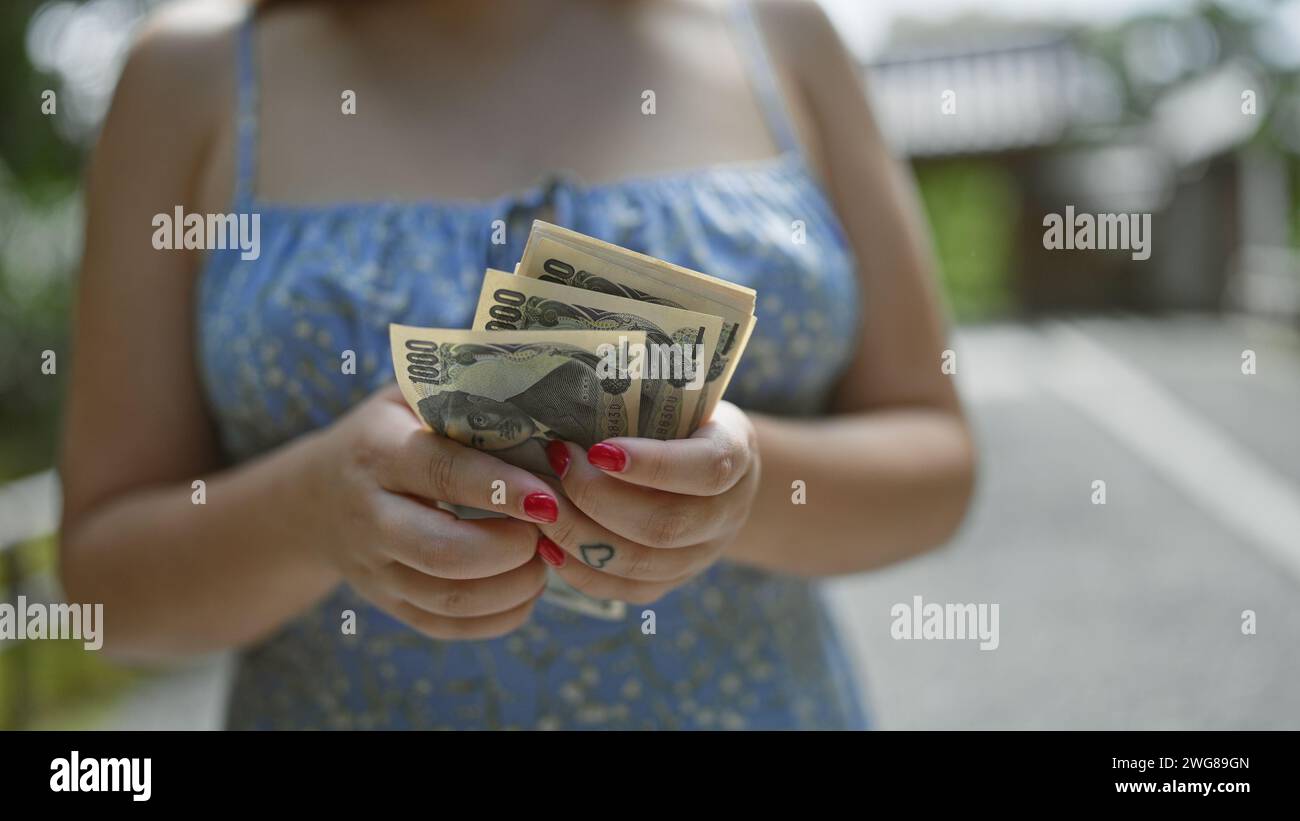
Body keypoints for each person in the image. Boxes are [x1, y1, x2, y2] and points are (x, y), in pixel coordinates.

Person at [58, 0, 976, 729]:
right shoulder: (192, 75)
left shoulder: (782, 33)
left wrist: (741, 485)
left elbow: (938, 459)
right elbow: (105, 587)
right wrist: (311, 511)